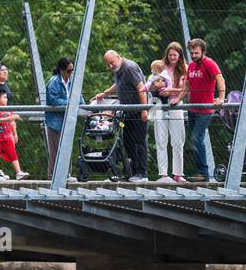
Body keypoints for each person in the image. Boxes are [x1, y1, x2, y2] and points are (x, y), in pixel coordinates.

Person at [91, 50, 148, 182]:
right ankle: (132, 171)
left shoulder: (129, 67)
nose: (111, 66)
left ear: (118, 57)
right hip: (127, 111)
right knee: (128, 142)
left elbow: (141, 88)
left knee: (139, 142)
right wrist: (104, 94)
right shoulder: (118, 69)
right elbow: (118, 85)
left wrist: (144, 110)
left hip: (138, 110)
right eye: (108, 64)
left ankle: (142, 173)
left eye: (112, 62)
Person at [185, 38, 225, 181]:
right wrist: (178, 99)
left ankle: (204, 173)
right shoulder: (191, 66)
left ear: (203, 51)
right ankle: (200, 172)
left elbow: (220, 79)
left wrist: (221, 97)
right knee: (194, 140)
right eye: (191, 53)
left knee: (197, 138)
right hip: (192, 108)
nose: (194, 55)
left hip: (205, 110)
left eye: (196, 53)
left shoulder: (209, 63)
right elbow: (187, 85)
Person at [151, 44, 187, 182]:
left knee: (178, 140)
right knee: (160, 138)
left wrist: (171, 90)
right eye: (170, 55)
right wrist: (158, 87)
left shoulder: (185, 68)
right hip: (159, 103)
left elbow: (186, 89)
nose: (172, 58)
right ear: (167, 55)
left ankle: (178, 173)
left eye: (175, 55)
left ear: (179, 56)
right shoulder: (160, 66)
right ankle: (163, 174)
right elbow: (152, 85)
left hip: (176, 103)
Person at [44, 57, 81, 179]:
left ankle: (66, 174)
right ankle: (53, 175)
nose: (71, 73)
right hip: (55, 122)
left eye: (72, 70)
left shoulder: (72, 81)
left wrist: (84, 105)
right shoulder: (54, 82)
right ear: (61, 70)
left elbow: (79, 97)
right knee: (56, 149)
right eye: (69, 71)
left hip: (67, 120)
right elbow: (53, 100)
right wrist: (70, 102)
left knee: (67, 147)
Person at [0, 91, 29, 181]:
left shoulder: (8, 109)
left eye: (6, 97)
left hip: (7, 137)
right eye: (4, 97)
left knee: (13, 154)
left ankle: (18, 172)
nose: (6, 99)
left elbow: (12, 123)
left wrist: (14, 133)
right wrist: (12, 117)